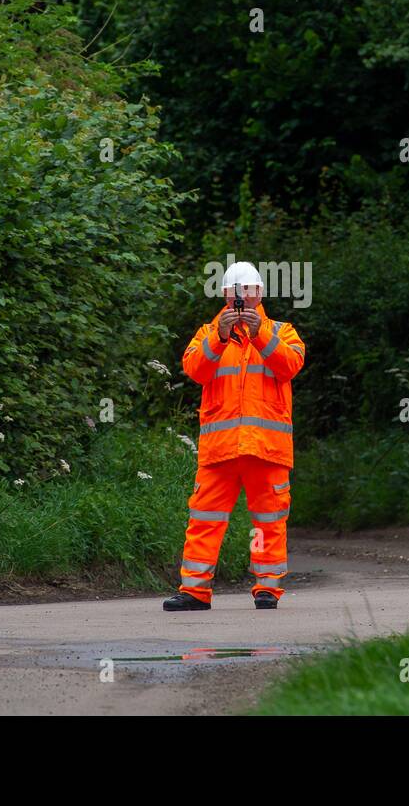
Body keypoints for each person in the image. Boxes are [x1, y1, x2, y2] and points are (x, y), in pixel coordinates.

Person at [163, 261, 305, 611]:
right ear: (225, 295)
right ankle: (194, 592)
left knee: (267, 522)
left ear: (260, 294)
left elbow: (289, 365)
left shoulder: (283, 332)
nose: (242, 299)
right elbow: (194, 369)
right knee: (205, 520)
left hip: (265, 449)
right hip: (220, 449)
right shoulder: (207, 333)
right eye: (235, 293)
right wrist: (220, 337)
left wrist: (259, 334)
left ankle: (267, 589)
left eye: (249, 292)